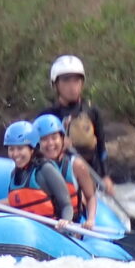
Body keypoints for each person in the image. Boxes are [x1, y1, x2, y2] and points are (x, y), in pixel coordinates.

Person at [38, 55, 114, 194]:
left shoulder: (92, 112)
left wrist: (106, 176)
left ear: (82, 83)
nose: (72, 86)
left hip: (90, 175)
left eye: (76, 80)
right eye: (66, 81)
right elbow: (36, 150)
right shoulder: (47, 115)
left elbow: (101, 147)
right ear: (55, 85)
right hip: (60, 177)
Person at [0, 120, 73, 228]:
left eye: (20, 148)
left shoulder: (45, 170)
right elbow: (18, 202)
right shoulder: (15, 174)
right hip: (26, 231)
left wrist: (65, 221)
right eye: (11, 149)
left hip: (51, 230)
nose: (15, 154)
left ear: (32, 149)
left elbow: (66, 205)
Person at [35, 113, 98, 229]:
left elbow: (90, 196)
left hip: (71, 226)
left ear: (62, 139)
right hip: (42, 225)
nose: (50, 143)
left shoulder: (76, 165)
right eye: (44, 139)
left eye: (54, 138)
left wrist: (90, 220)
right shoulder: (32, 167)